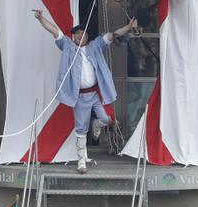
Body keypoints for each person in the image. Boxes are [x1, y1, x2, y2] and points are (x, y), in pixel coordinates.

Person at [32, 9, 138, 173]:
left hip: (96, 93)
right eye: (77, 34)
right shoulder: (67, 46)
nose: (80, 36)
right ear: (73, 36)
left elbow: (112, 35)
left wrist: (129, 27)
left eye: (83, 34)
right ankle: (82, 161)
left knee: (106, 118)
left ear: (88, 37)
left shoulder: (95, 46)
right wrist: (41, 19)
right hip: (80, 97)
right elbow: (54, 31)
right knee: (81, 129)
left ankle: (96, 123)